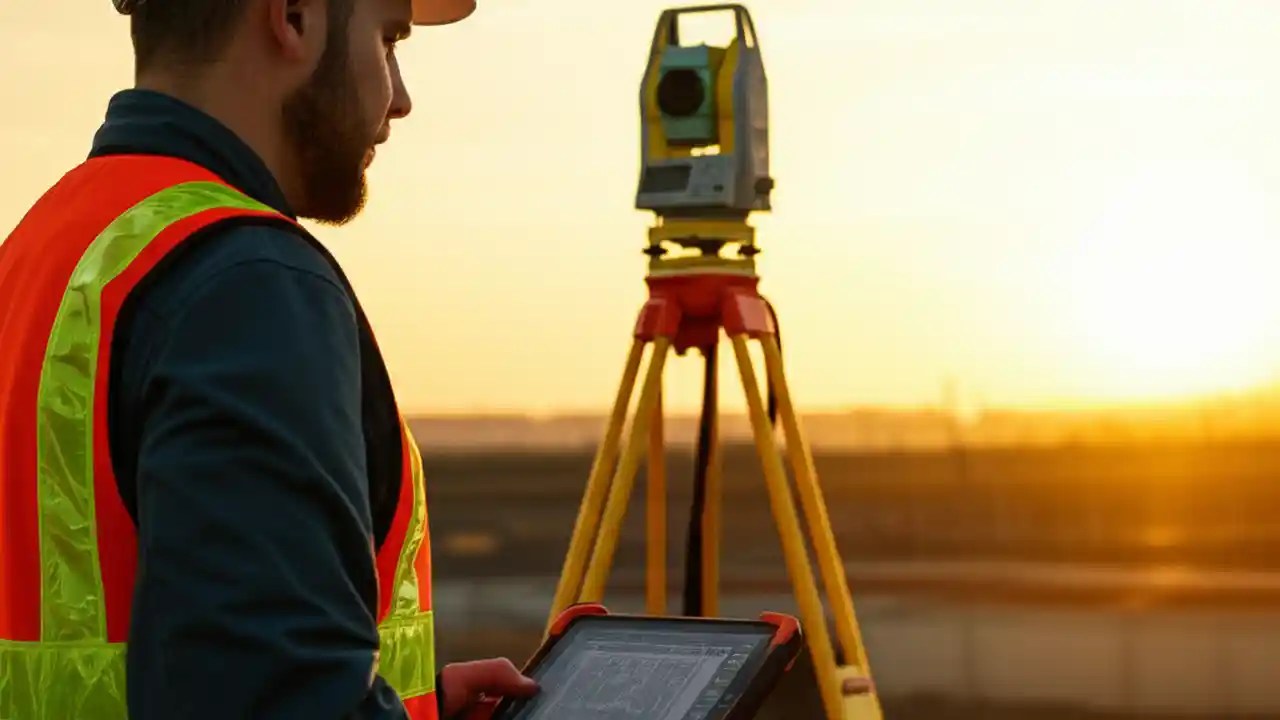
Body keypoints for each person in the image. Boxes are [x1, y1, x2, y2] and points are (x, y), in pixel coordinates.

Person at [0, 0, 539, 718]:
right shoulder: (246, 286)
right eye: (386, 40)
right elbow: (270, 698)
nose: (400, 99)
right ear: (291, 17)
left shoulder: (47, 248)